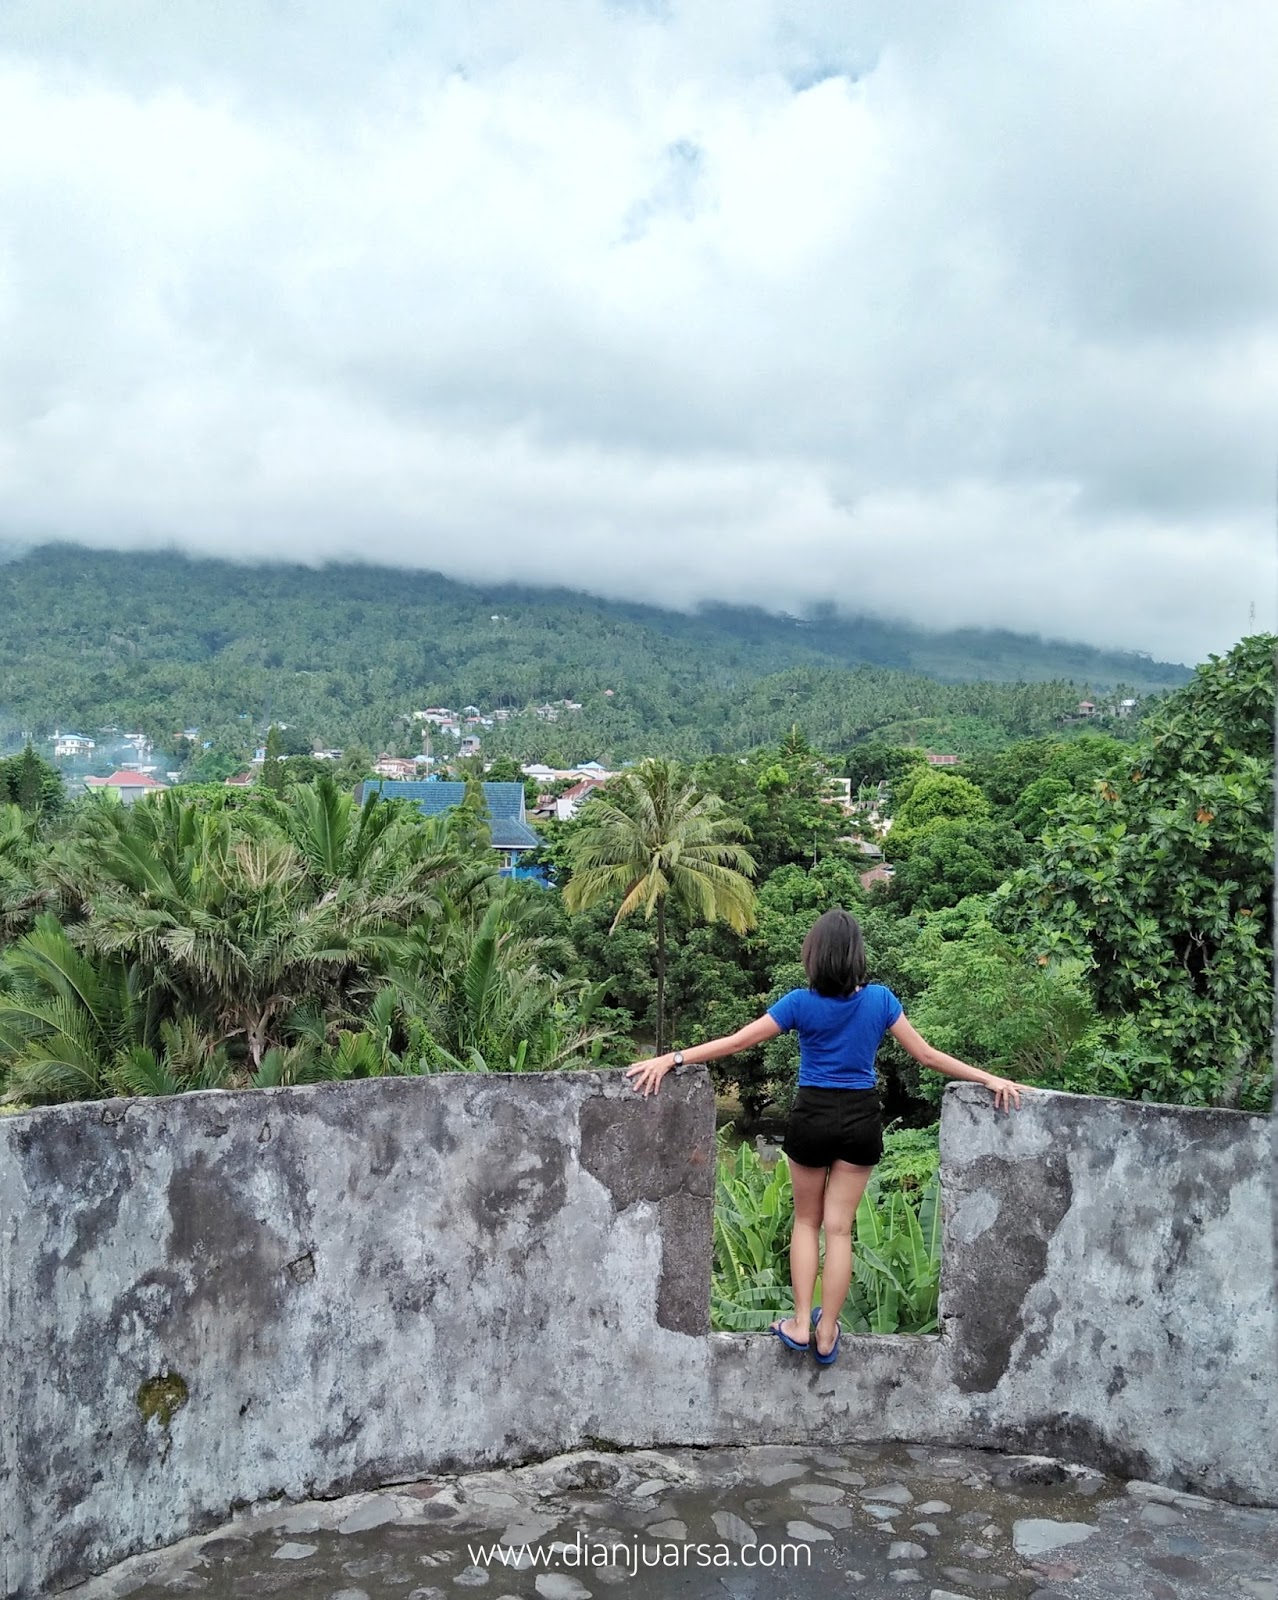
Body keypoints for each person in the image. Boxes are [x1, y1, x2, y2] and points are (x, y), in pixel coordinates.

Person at [626, 907, 1021, 1366]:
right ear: (857, 956)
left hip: (811, 1116)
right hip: (860, 1119)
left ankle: (799, 1323)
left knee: (806, 1223)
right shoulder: (880, 1001)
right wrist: (990, 1078)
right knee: (840, 1229)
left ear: (813, 956)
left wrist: (672, 1059)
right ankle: (828, 1330)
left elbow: (736, 1043)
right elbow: (928, 1057)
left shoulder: (799, 1003)